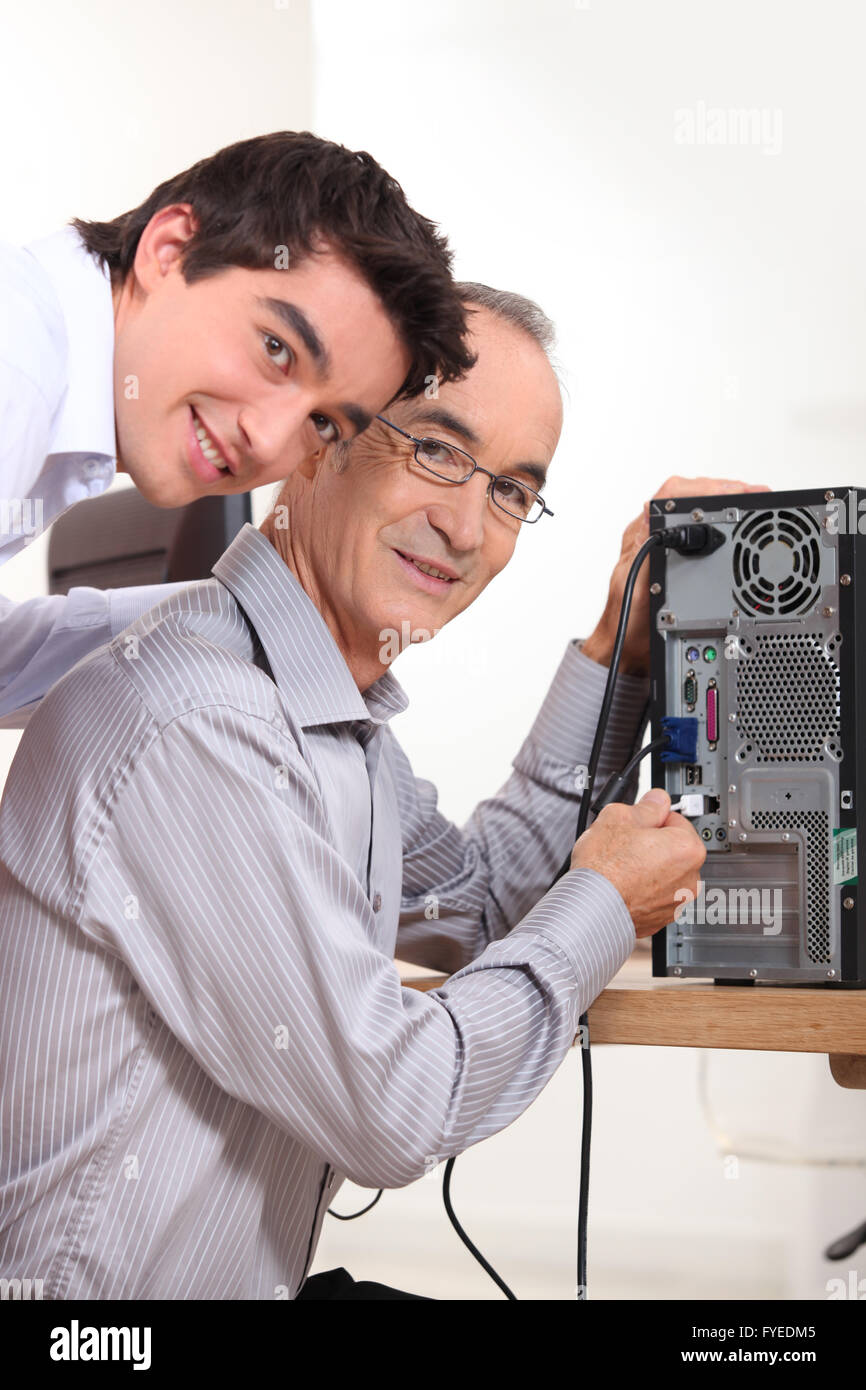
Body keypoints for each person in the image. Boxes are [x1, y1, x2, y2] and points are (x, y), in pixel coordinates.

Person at [0, 281, 761, 1300]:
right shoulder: (209, 724)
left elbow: (484, 904)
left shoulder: (323, 720)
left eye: (510, 490)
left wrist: (612, 654)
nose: (464, 525)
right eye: (438, 451)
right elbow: (394, 1104)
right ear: (322, 438)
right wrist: (606, 899)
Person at [0, 130, 473, 724]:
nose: (271, 440)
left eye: (322, 423)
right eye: (277, 349)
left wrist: (237, 622)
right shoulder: (17, 370)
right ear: (169, 251)